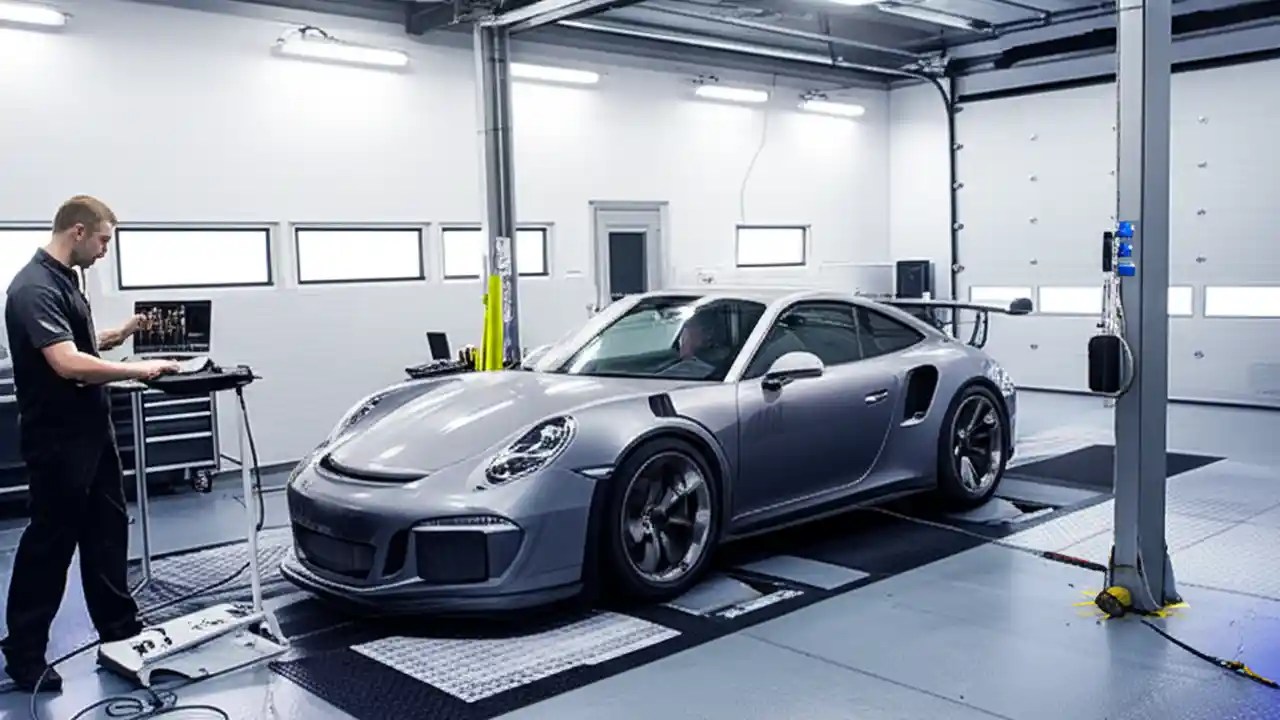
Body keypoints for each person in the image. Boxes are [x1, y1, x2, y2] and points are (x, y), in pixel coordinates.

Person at [0, 196, 180, 692]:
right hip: (58, 441)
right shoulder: (32, 287)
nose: (105, 251)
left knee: (107, 534)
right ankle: (24, 654)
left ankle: (120, 633)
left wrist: (120, 334)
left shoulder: (65, 281)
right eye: (103, 241)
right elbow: (67, 364)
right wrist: (139, 369)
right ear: (77, 232)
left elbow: (76, 344)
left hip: (92, 434)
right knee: (50, 546)